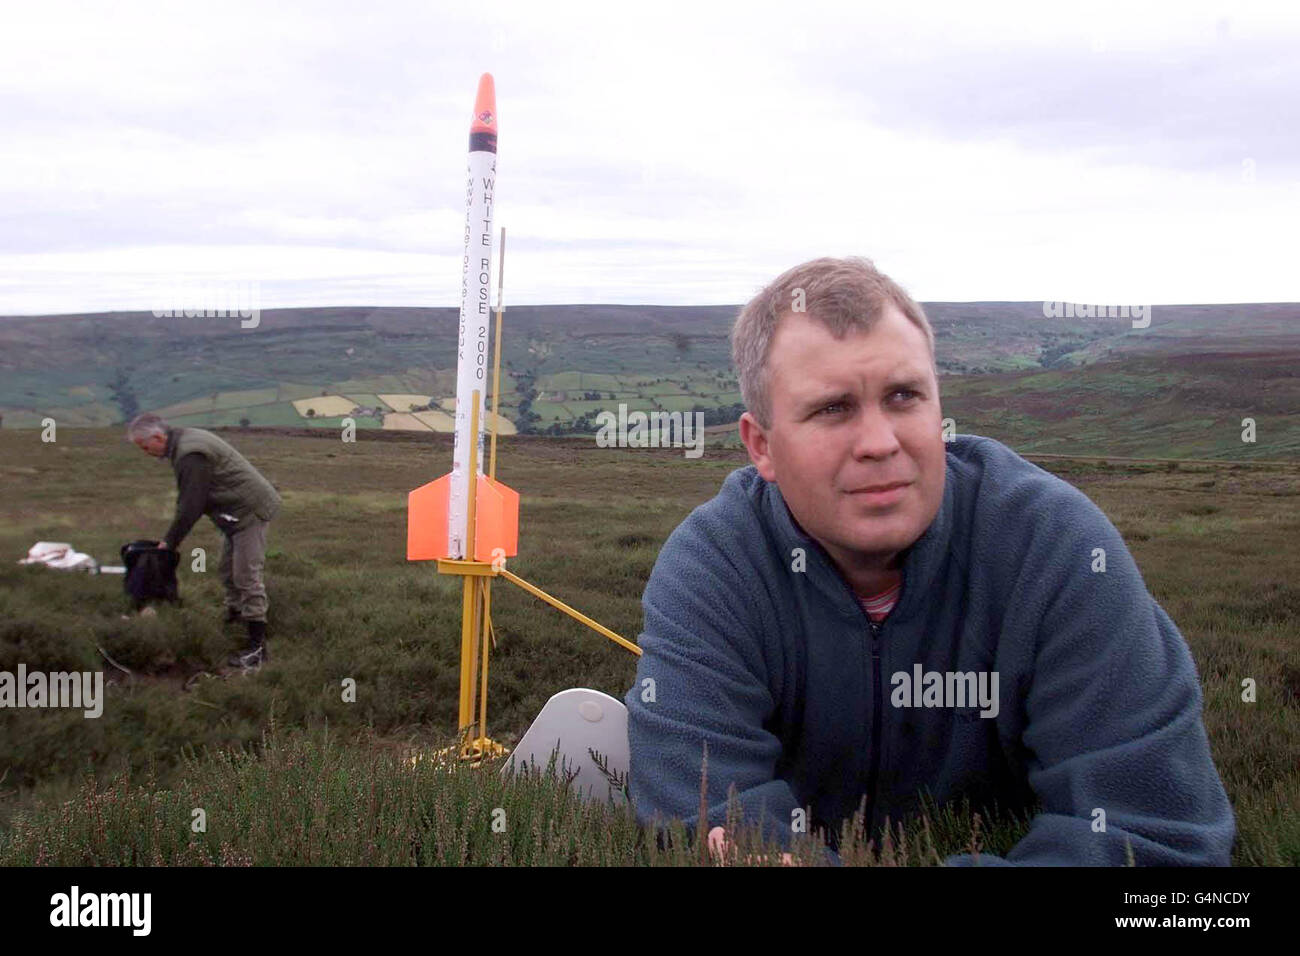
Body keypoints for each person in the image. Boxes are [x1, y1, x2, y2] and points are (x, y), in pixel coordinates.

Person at [624, 256, 1235, 866]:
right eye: (833, 409)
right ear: (763, 446)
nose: (880, 443)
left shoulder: (1055, 548)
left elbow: (1157, 840)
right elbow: (704, 818)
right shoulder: (713, 568)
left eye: (903, 396)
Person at [127, 413, 282, 669]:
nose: (146, 453)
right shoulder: (183, 442)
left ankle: (257, 649)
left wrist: (169, 543)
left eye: (145, 447)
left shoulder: (190, 454)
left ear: (157, 437)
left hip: (249, 512)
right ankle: (235, 621)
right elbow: (190, 499)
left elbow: (191, 505)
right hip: (234, 514)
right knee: (227, 572)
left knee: (246, 576)